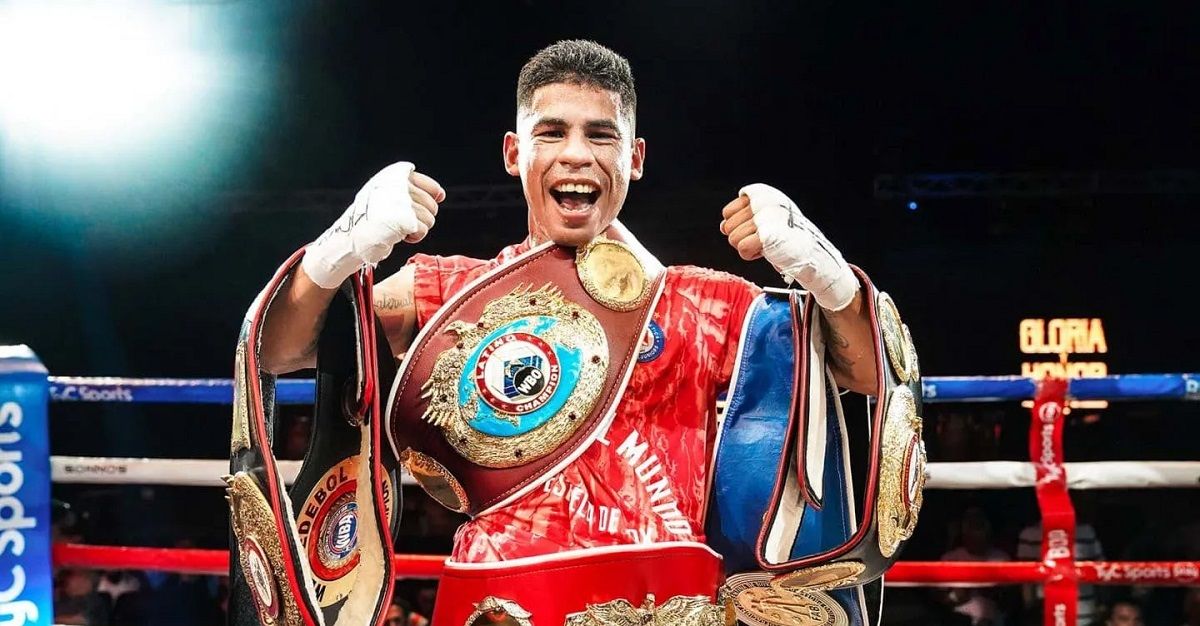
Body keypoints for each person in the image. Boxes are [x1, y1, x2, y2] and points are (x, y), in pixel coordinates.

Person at [257, 40, 888, 623]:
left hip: (661, 602)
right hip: (502, 604)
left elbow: (861, 373)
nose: (576, 154)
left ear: (633, 159)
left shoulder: (703, 300)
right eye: (551, 132)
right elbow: (281, 351)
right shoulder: (449, 289)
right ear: (515, 152)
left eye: (601, 135)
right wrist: (335, 253)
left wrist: (826, 272)